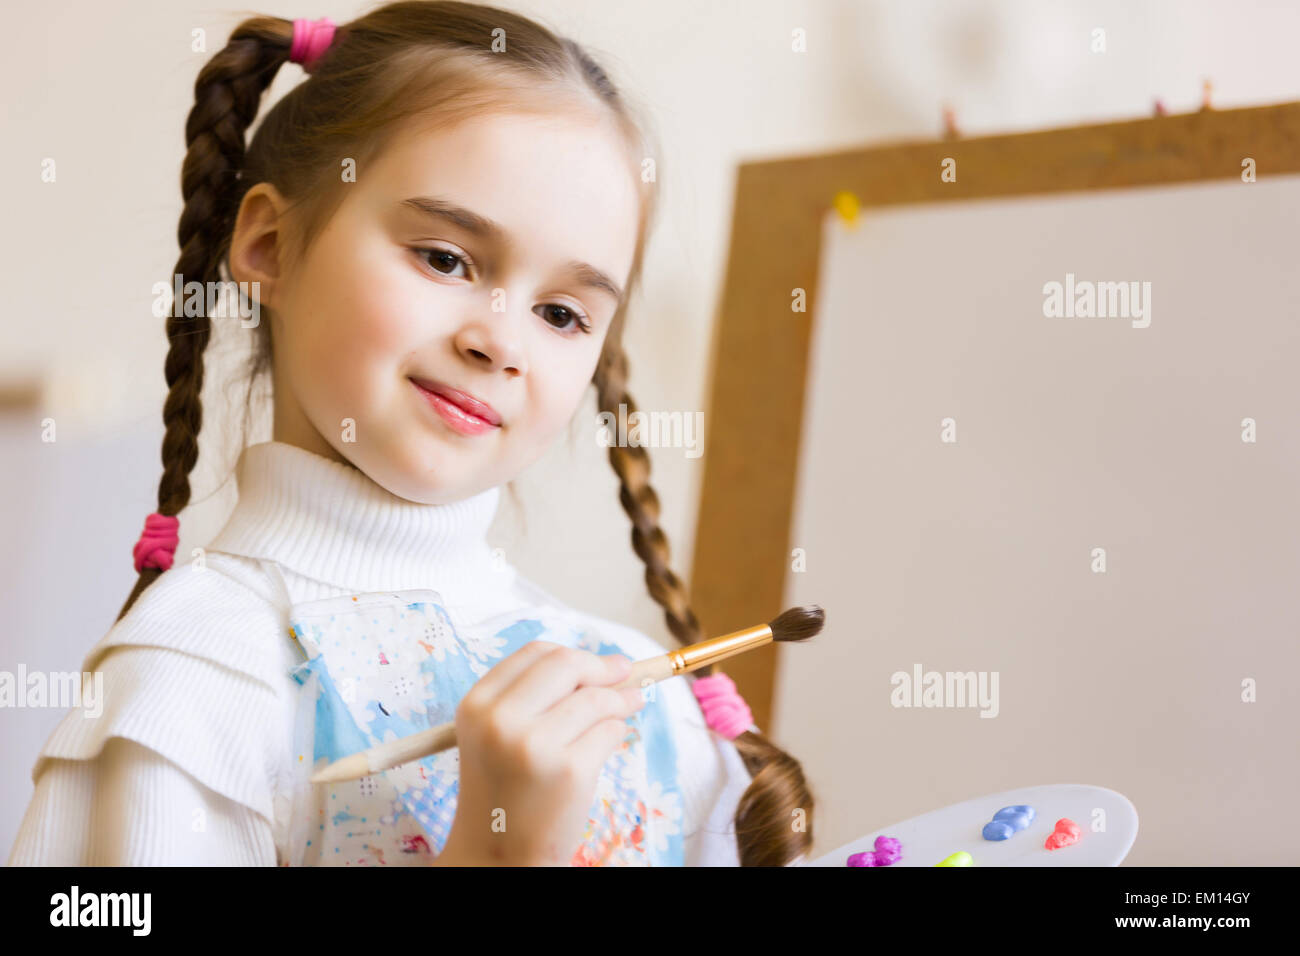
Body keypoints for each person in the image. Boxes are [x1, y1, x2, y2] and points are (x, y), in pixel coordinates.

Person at [8, 1, 813, 867]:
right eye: (445, 258)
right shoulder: (192, 684)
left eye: (561, 313)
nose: (500, 340)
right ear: (271, 244)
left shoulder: (632, 691)